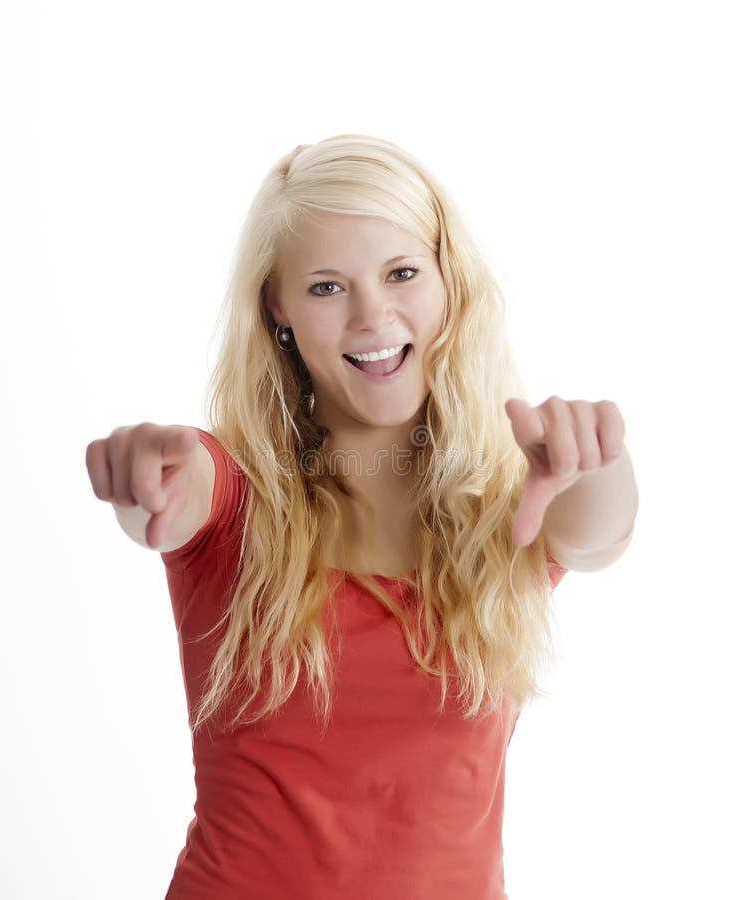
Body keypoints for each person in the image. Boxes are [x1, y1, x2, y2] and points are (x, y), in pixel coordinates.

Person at [85, 134, 629, 899]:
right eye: (327, 288)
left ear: (449, 280)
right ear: (279, 307)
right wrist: (149, 473)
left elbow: (600, 533)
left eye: (402, 272)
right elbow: (182, 494)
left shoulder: (509, 504)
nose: (374, 316)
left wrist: (596, 458)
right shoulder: (239, 496)